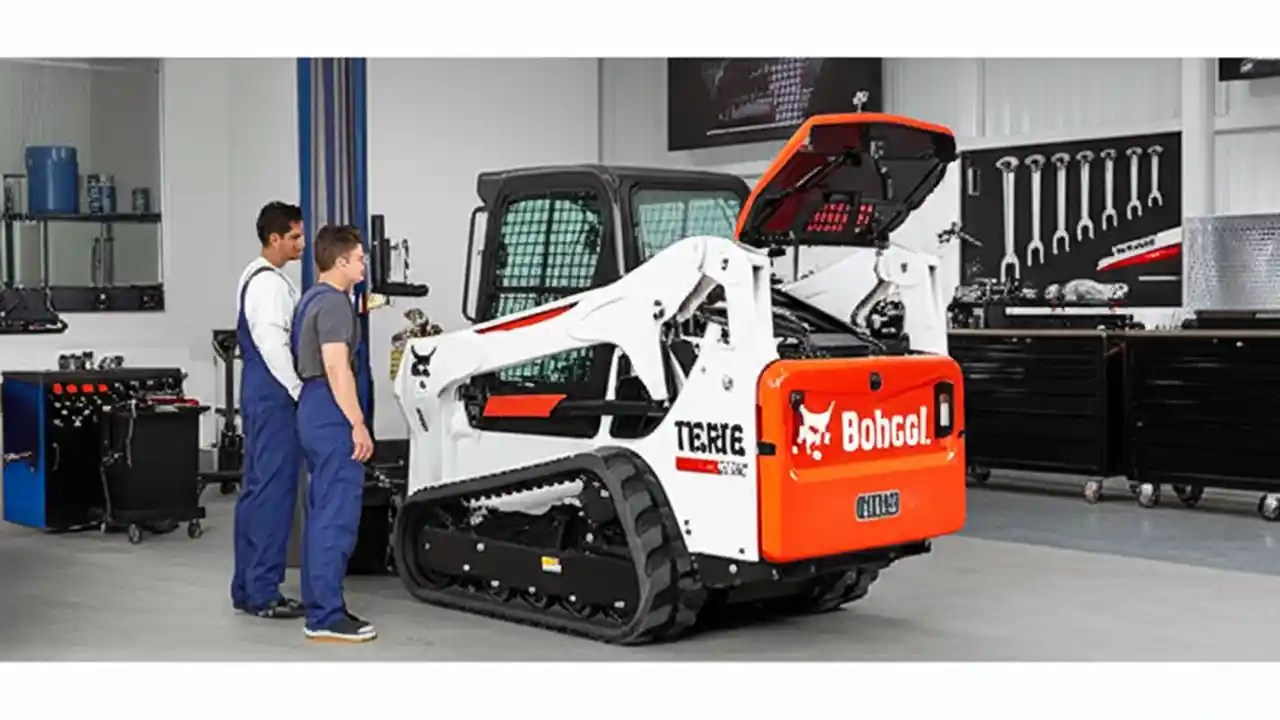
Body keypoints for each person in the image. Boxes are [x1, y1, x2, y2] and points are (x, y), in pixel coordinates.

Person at [290, 224, 377, 642]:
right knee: (335, 515)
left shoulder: (311, 299)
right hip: (330, 409)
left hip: (312, 406)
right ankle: (325, 616)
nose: (364, 264)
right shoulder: (336, 306)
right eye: (360, 258)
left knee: (320, 511)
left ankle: (319, 604)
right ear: (340, 261)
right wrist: (357, 423)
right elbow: (337, 367)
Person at [230, 201, 307, 619]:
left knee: (256, 491)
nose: (301, 243)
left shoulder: (257, 276)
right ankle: (264, 592)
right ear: (274, 238)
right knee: (274, 493)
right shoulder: (268, 285)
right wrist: (298, 390)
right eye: (294, 236)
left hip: (260, 393)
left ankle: (247, 586)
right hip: (275, 396)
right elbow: (272, 344)